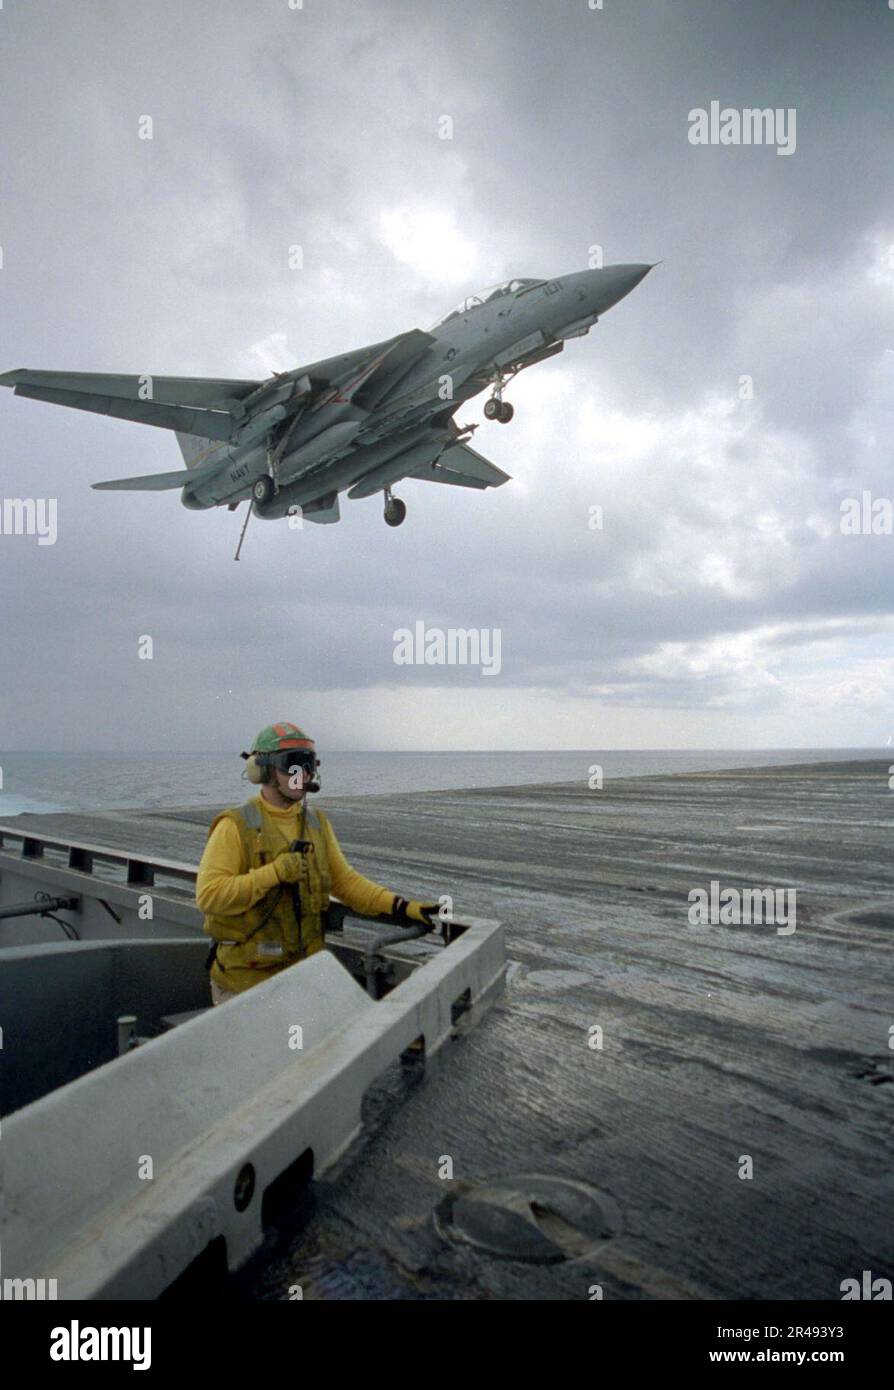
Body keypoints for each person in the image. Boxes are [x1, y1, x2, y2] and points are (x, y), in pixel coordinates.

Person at [196, 722, 441, 1004]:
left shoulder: (316, 823)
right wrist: (273, 873)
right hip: (247, 986)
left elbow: (346, 882)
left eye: (309, 764)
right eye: (293, 764)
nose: (305, 774)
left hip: (302, 979)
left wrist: (401, 907)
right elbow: (209, 896)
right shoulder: (236, 825)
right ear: (263, 770)